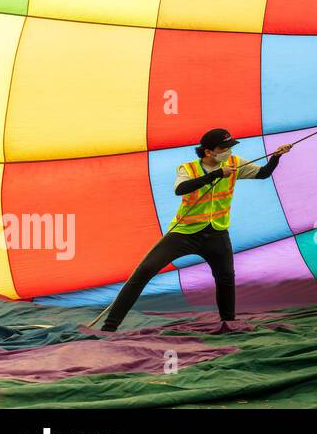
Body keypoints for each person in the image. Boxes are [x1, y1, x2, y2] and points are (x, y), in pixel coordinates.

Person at [99, 128, 292, 333]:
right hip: (184, 233)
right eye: (224, 147)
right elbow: (180, 189)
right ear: (209, 152)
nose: (228, 151)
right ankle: (109, 327)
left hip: (217, 233)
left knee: (226, 278)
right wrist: (217, 174)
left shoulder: (234, 163)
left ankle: (229, 324)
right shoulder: (188, 169)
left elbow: (263, 174)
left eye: (230, 147)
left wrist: (276, 157)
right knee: (144, 271)